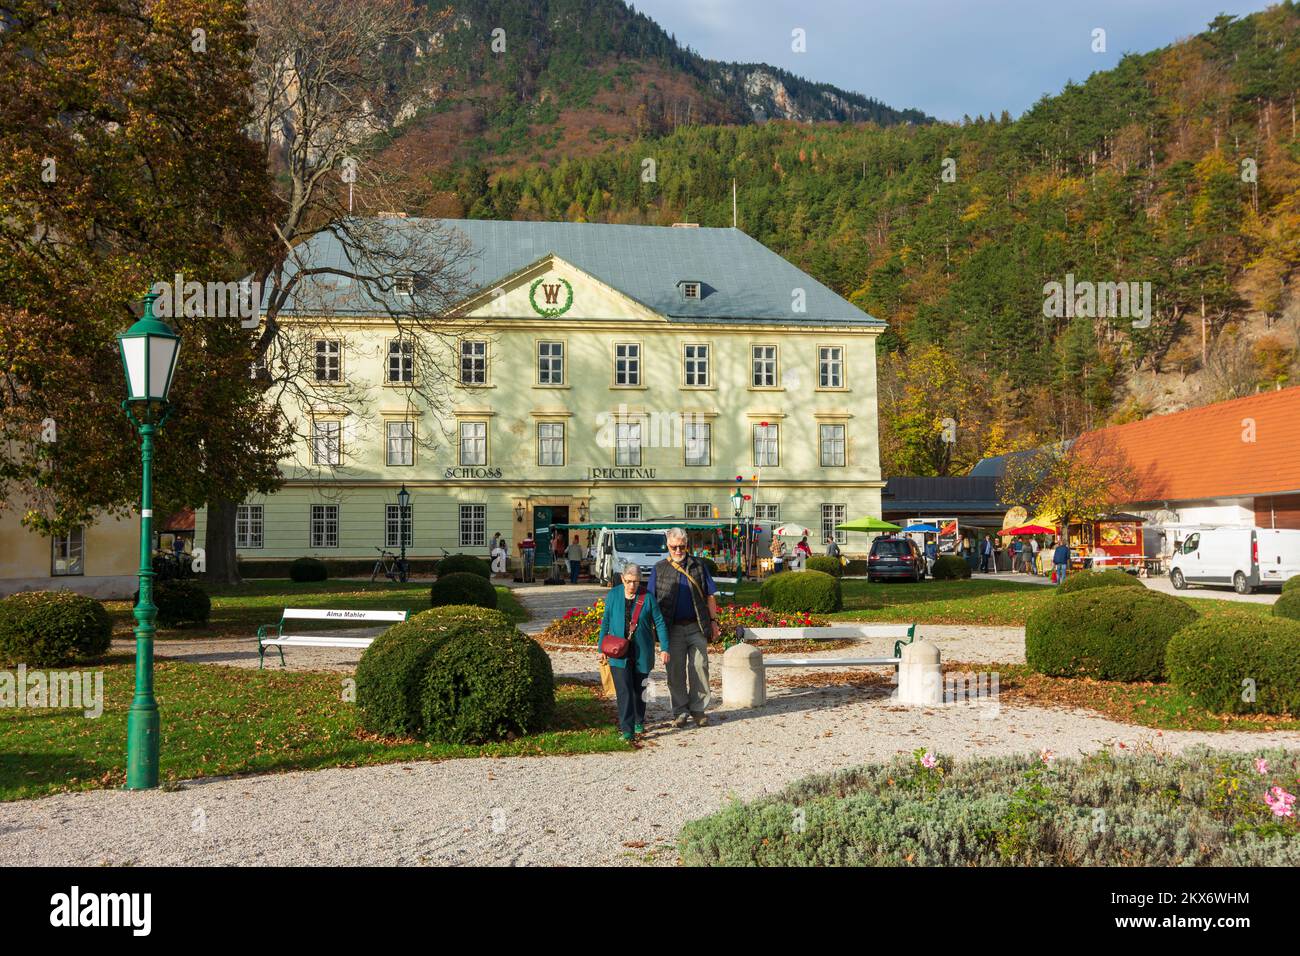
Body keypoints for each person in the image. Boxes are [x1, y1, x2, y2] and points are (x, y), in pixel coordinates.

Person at [648, 527, 720, 728]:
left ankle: (698, 709)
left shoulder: (698, 565)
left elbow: (710, 596)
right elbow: (651, 600)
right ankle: (680, 711)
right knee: (675, 672)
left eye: (682, 546)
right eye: (674, 547)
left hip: (696, 626)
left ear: (687, 545)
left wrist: (713, 622)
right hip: (672, 630)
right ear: (667, 546)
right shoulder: (659, 568)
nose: (678, 550)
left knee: (700, 667)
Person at [597, 563, 668, 743]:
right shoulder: (613, 595)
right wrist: (601, 649)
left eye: (636, 582)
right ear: (622, 578)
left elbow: (659, 622)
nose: (632, 586)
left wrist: (664, 648)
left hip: (641, 650)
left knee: (641, 688)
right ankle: (627, 730)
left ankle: (639, 719)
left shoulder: (648, 597)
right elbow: (605, 623)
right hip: (617, 651)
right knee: (624, 691)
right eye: (628, 581)